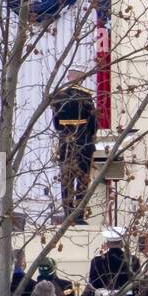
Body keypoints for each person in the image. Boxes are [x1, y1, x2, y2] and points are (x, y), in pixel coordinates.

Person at [49, 68, 97, 219]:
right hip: (84, 143)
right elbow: (93, 126)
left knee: (66, 181)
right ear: (81, 80)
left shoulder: (59, 97)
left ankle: (68, 214)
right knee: (83, 180)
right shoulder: (87, 97)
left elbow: (56, 125)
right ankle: (79, 215)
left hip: (66, 144)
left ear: (70, 78)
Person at [87, 227, 136, 295]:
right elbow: (136, 284)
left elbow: (93, 284)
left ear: (107, 244)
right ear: (122, 244)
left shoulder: (96, 261)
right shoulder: (133, 260)